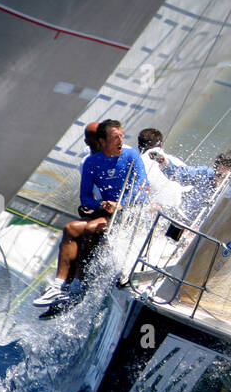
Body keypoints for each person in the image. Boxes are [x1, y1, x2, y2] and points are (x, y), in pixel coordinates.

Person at [34, 119, 150, 306]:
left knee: (92, 228)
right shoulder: (90, 162)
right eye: (115, 137)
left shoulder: (131, 155)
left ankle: (79, 283)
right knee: (70, 229)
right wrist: (99, 205)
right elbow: (86, 197)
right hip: (106, 213)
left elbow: (143, 187)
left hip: (129, 213)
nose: (120, 140)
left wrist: (120, 204)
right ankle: (59, 286)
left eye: (121, 136)